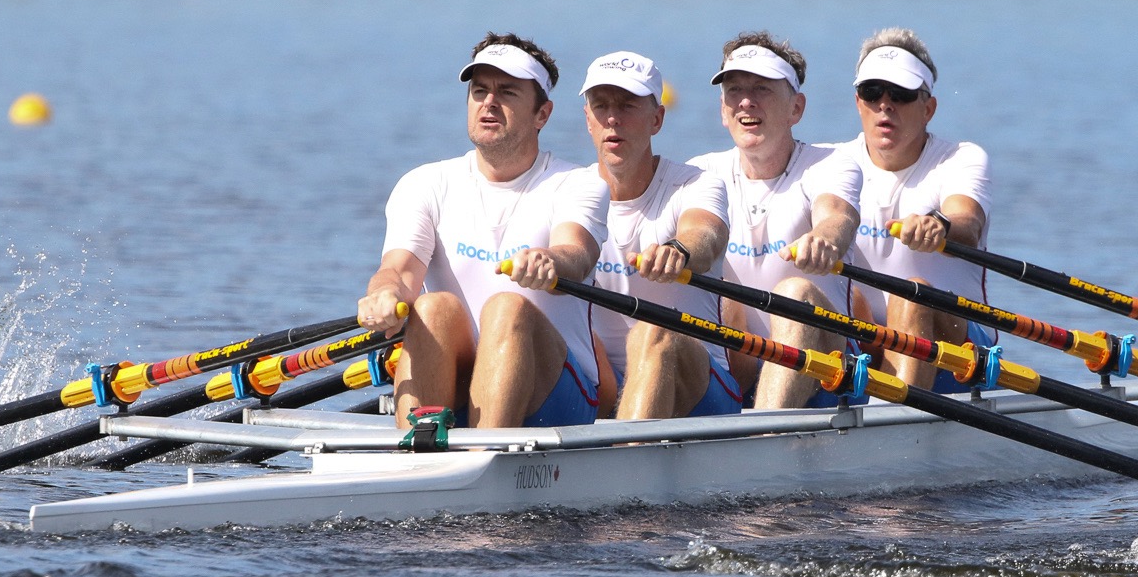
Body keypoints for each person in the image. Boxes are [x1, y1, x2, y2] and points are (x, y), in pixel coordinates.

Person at [357, 33, 608, 429]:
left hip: (556, 399)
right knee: (432, 307)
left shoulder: (578, 184)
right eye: (479, 91)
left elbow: (575, 253)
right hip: (459, 380)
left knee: (507, 306)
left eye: (507, 92)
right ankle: (416, 453)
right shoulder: (425, 183)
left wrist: (551, 261)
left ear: (542, 114)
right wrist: (382, 294)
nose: (489, 102)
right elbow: (399, 270)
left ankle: (481, 456)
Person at [688, 33, 862, 408]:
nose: (746, 101)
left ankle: (761, 443)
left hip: (825, 367)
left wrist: (824, 239)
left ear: (796, 108)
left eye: (762, 89)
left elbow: (837, 216)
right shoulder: (700, 174)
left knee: (794, 293)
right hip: (739, 358)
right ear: (722, 110)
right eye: (734, 90)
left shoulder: (829, 164)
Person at [575, 50, 739, 421]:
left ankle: (625, 468)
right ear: (588, 120)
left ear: (657, 119)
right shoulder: (569, 191)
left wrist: (679, 250)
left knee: (653, 332)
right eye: (601, 106)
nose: (613, 118)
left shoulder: (695, 184)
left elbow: (706, 234)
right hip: (603, 381)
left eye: (628, 106)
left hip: (699, 385)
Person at [842, 28, 994, 390]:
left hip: (958, 346)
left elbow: (967, 221)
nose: (885, 105)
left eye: (901, 94)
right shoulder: (832, 164)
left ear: (929, 109)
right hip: (867, 337)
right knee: (831, 296)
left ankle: (891, 428)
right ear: (858, 102)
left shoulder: (961, 159)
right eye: (872, 92)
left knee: (912, 293)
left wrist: (939, 226)